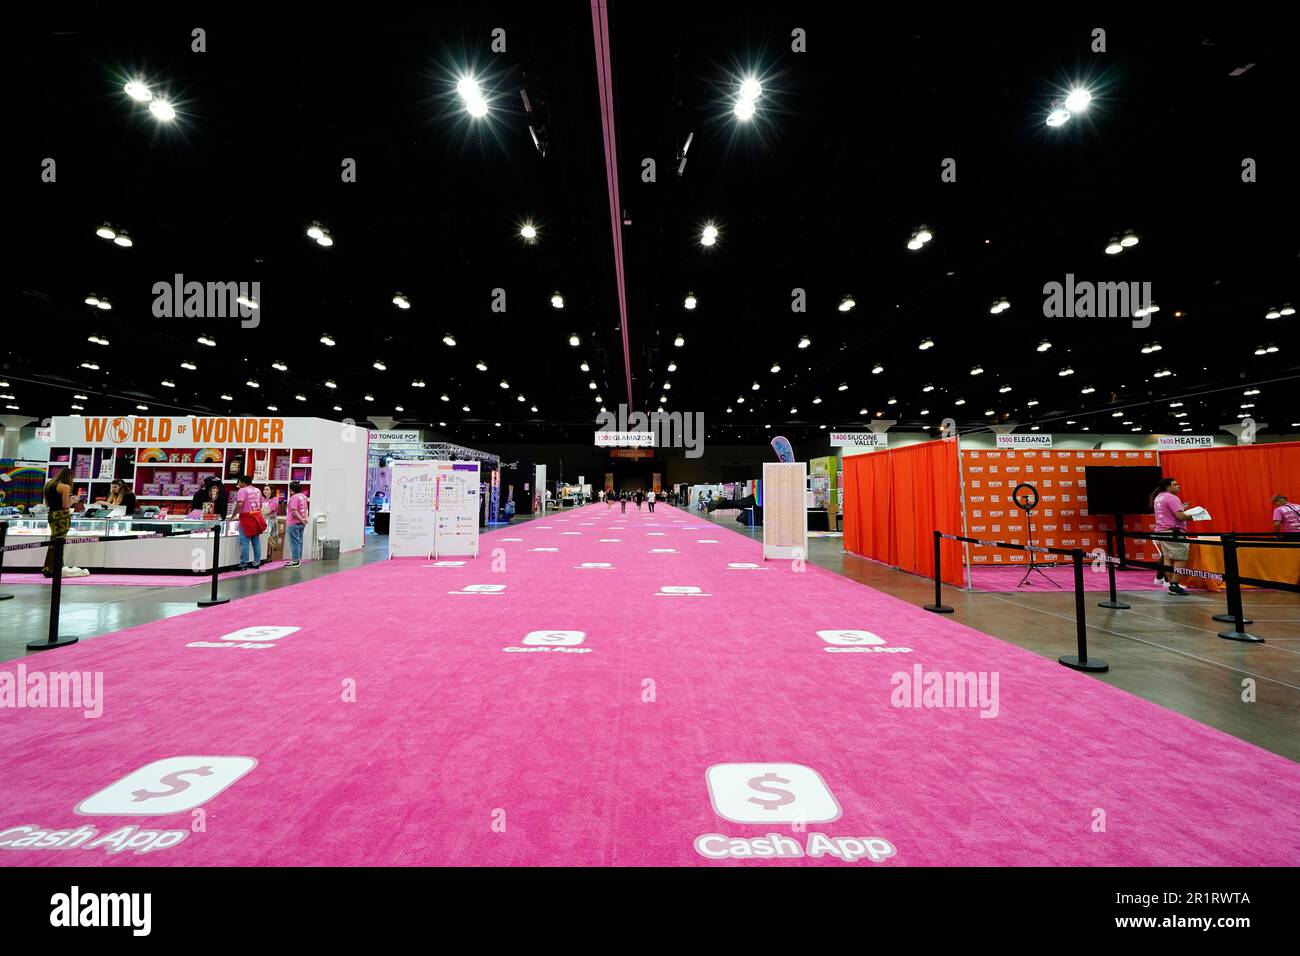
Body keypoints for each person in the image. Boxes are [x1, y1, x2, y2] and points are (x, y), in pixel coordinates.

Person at [1151, 477, 1195, 595]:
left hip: (1161, 531)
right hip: (1173, 532)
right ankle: (1174, 585)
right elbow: (1180, 517)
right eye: (1175, 484)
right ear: (1168, 487)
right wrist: (1194, 515)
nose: (1178, 486)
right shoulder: (1172, 498)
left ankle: (1172, 585)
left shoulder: (1159, 497)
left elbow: (1169, 512)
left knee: (1167, 559)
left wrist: (1181, 509)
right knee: (1181, 558)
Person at [42, 467, 88, 578]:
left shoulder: (48, 485)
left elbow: (47, 504)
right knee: (59, 543)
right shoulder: (65, 487)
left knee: (53, 542)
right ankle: (54, 568)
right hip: (62, 517)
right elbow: (65, 505)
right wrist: (74, 500)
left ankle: (49, 567)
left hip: (52, 515)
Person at [234, 474, 266, 571]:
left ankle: (243, 564)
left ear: (243, 482)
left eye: (239, 482)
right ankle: (256, 562)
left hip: (246, 518)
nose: (238, 484)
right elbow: (260, 505)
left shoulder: (242, 490)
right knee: (256, 541)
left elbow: (239, 504)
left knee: (245, 541)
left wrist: (233, 515)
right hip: (256, 517)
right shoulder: (257, 490)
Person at [285, 480, 309, 567]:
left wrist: (301, 519)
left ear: (291, 489)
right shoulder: (303, 496)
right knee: (299, 541)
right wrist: (304, 519)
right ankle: (298, 559)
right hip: (301, 523)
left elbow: (294, 511)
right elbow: (306, 509)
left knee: (294, 542)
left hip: (293, 523)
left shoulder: (294, 498)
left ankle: (295, 560)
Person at [262, 484, 281, 559]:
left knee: (270, 539)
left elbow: (267, 511)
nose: (265, 491)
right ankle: (263, 555)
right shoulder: (262, 499)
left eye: (267, 489)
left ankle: (269, 556)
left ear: (272, 491)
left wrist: (261, 511)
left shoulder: (274, 500)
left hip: (271, 522)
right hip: (262, 521)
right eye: (264, 489)